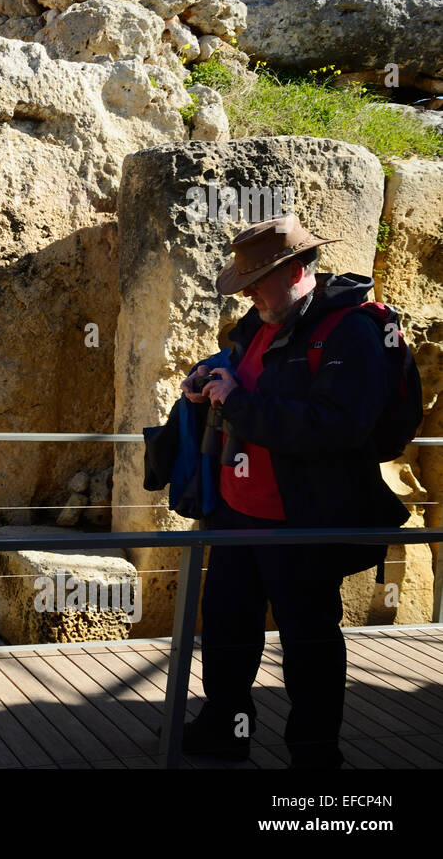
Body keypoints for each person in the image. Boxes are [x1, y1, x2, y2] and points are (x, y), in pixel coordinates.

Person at [178, 212, 410, 770]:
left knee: (307, 641)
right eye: (246, 280)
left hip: (302, 518)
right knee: (229, 627)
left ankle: (314, 753)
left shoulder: (351, 332)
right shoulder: (261, 326)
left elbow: (338, 426)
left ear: (300, 269)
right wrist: (205, 383)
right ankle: (225, 728)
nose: (250, 290)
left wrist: (236, 403)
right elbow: (242, 377)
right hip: (238, 513)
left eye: (259, 278)